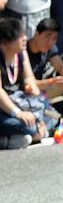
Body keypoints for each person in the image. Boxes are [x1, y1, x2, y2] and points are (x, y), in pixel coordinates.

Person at [25, 18, 63, 124]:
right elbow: (28, 83)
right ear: (36, 34)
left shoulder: (49, 48)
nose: (50, 42)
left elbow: (61, 66)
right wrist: (51, 82)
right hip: (26, 92)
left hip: (42, 90)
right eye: (47, 37)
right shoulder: (23, 50)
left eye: (54, 38)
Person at [0, 16, 48, 148]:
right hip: (5, 109)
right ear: (5, 42)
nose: (25, 38)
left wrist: (38, 114)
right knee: (29, 127)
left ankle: (10, 140)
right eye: (20, 36)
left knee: (48, 119)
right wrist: (18, 113)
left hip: (18, 104)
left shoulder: (21, 54)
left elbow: (29, 78)